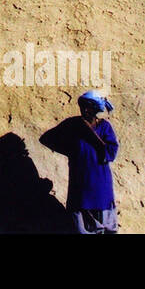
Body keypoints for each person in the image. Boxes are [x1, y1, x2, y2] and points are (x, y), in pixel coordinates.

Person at [39, 90, 119, 233]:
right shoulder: (73, 125)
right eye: (83, 106)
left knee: (107, 229)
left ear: (96, 110)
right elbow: (46, 139)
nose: (85, 110)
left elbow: (110, 153)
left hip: (101, 190)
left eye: (88, 107)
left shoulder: (104, 127)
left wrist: (90, 135)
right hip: (80, 191)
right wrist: (70, 150)